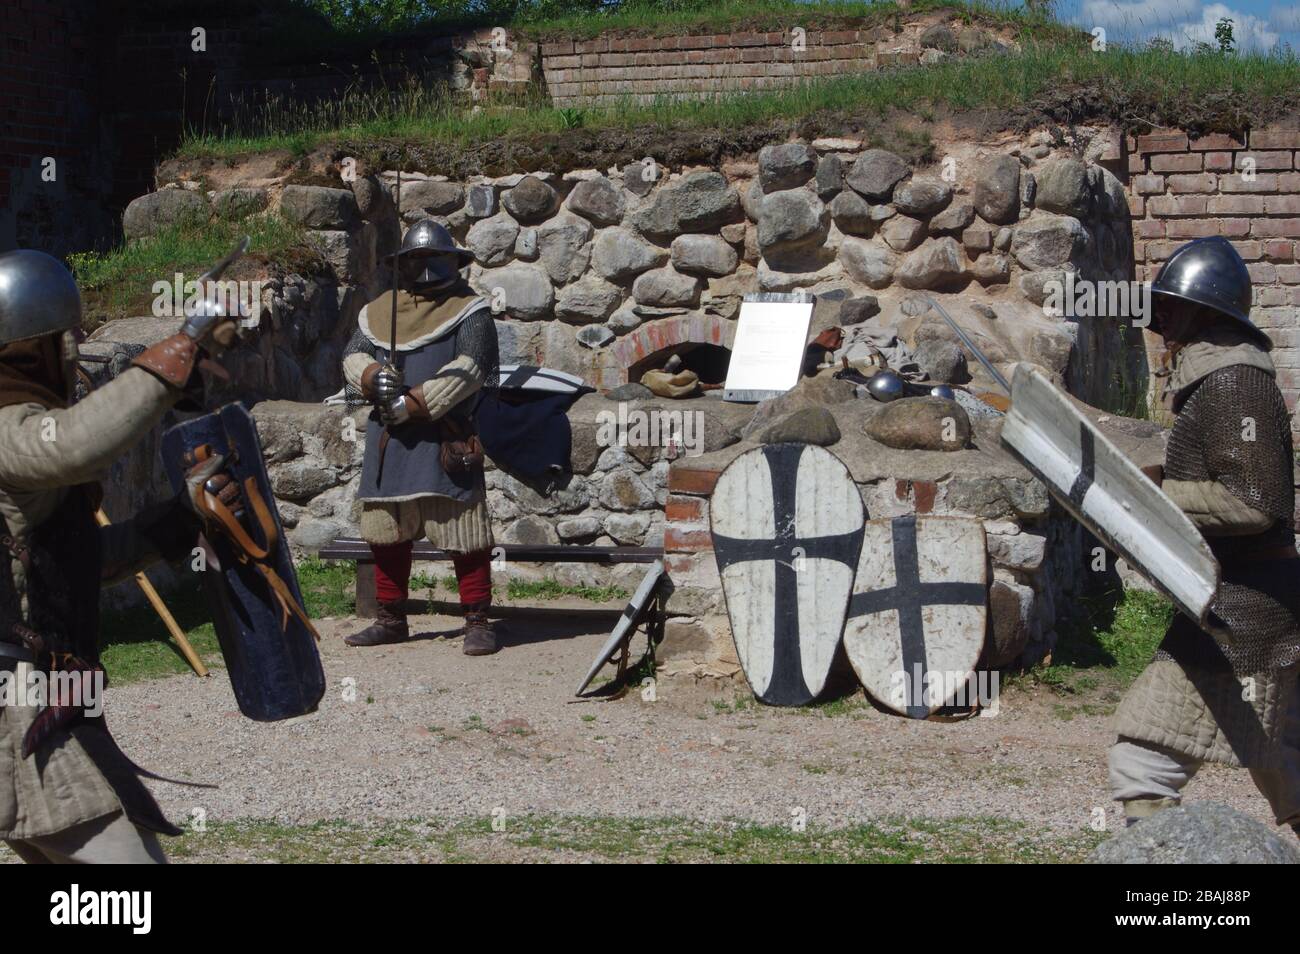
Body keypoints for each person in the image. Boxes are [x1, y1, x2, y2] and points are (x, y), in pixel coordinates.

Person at [0, 249, 232, 863]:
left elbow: (79, 560)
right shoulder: (5, 430)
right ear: (34, 346)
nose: (76, 347)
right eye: (65, 336)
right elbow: (74, 445)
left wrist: (183, 516)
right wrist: (181, 345)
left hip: (55, 691)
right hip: (19, 703)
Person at [1109, 236, 1300, 833]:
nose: (1160, 318)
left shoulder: (1235, 382)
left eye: (1171, 306)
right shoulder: (1212, 379)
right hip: (1247, 599)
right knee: (1286, 763)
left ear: (1206, 312)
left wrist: (1156, 499)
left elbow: (1256, 503)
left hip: (1247, 607)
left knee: (1144, 758)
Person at [342, 219, 500, 655]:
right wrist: (372, 376)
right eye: (416, 259)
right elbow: (353, 355)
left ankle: (477, 621)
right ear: (403, 264)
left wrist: (414, 404)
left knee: (465, 533)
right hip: (387, 438)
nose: (426, 265)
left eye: (434, 258)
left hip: (444, 436)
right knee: (385, 531)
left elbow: (472, 368)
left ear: (453, 261)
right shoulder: (381, 309)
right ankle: (391, 618)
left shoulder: (470, 310)